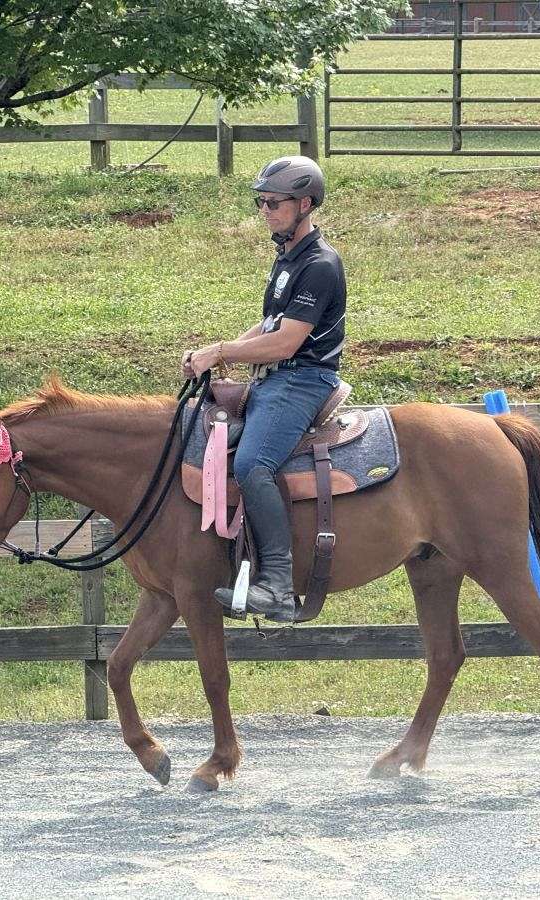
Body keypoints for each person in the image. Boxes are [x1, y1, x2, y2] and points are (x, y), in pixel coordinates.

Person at [182, 155, 347, 622]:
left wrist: (222, 354)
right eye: (261, 203)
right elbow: (270, 325)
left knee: (254, 464)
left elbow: (289, 341)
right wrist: (216, 350)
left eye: (274, 203)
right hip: (277, 377)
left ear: (305, 203)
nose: (265, 211)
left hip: (302, 379)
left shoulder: (320, 265)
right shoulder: (287, 259)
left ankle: (276, 584)